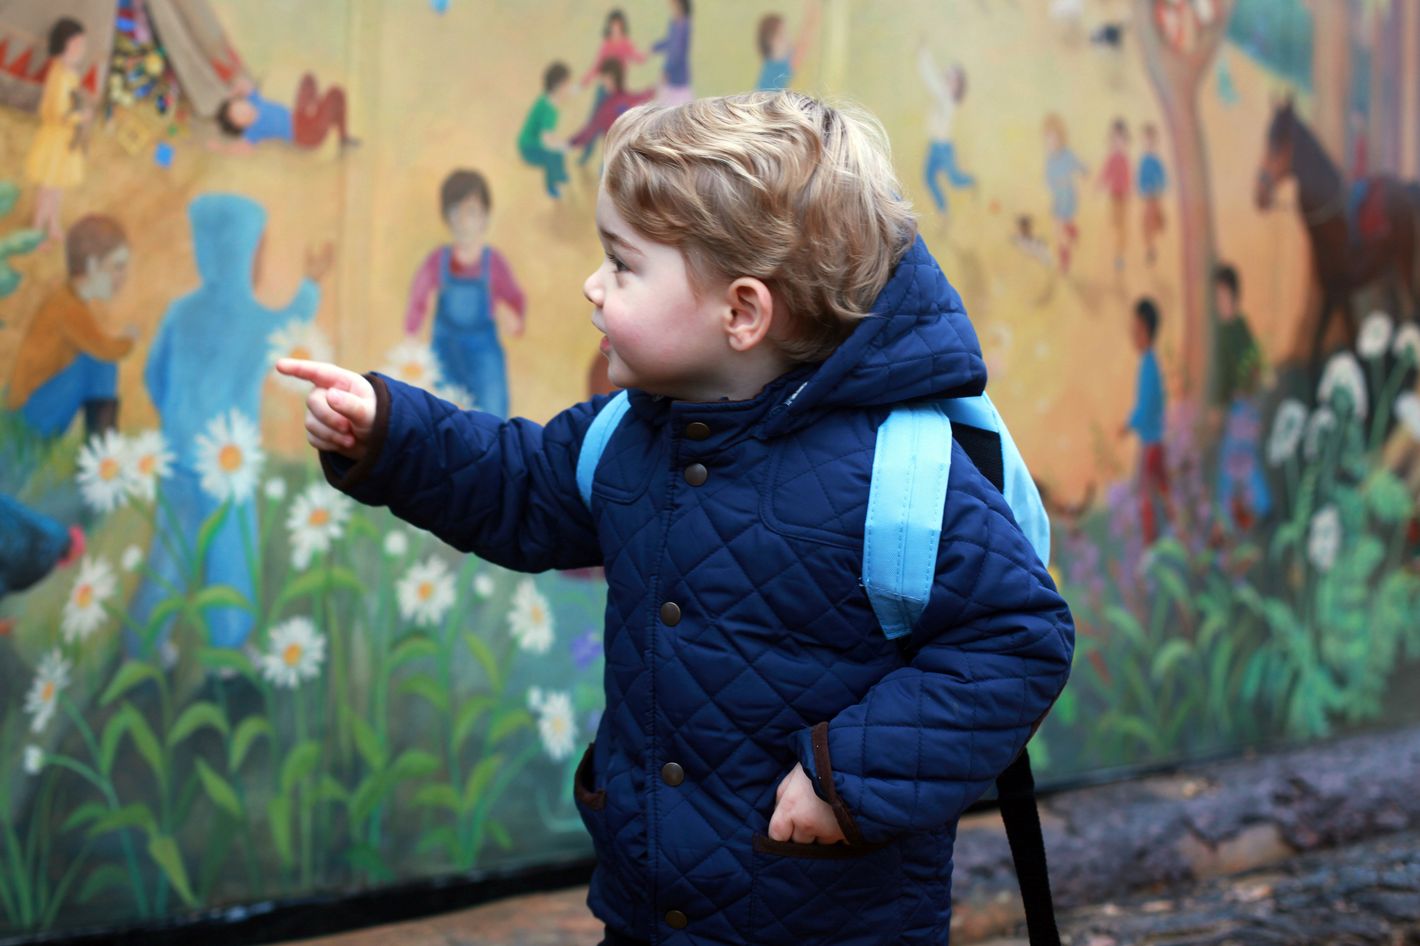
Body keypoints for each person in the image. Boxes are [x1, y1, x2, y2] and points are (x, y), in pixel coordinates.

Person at [278, 91, 1073, 946]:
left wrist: (852, 780)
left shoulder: (900, 475)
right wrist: (391, 433)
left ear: (741, 312)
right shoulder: (633, 432)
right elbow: (521, 486)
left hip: (828, 916)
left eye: (621, 266)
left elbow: (1017, 642)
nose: (592, 285)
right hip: (649, 903)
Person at [132, 194, 332, 653]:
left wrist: (178, 420)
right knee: (230, 556)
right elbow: (290, 325)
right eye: (258, 250)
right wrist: (312, 283)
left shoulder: (180, 313)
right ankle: (229, 650)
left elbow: (153, 374)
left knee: (169, 550)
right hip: (229, 464)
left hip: (178, 455)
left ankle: (143, 646)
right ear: (246, 254)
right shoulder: (253, 322)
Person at [404, 170, 526, 418]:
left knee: (491, 421)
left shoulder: (494, 263)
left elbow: (514, 298)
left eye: (471, 211)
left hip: (484, 360)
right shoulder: (438, 261)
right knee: (443, 420)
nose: (462, 219)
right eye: (455, 211)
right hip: (445, 355)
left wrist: (514, 318)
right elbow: (418, 299)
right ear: (446, 217)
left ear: (484, 217)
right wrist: (412, 337)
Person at [7, 216, 137, 439]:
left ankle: (101, 453)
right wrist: (128, 340)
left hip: (31, 409)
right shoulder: (67, 307)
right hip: (27, 418)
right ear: (92, 265)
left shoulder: (68, 300)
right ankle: (102, 454)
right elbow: (106, 348)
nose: (123, 277)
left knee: (97, 361)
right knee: (100, 362)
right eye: (117, 267)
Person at [1211, 264, 1270, 531]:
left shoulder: (1236, 328)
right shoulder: (1226, 330)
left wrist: (1242, 390)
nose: (1219, 303)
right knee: (1244, 461)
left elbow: (1251, 363)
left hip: (1244, 406)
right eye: (1216, 298)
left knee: (1231, 461)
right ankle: (1263, 506)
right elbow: (1225, 374)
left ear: (1234, 296)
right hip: (1238, 406)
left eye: (1223, 297)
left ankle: (1225, 520)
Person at [26, 17, 94, 243]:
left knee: (58, 187)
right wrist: (80, 117)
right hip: (55, 139)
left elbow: (71, 104)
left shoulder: (69, 72)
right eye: (78, 45)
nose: (81, 50)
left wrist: (80, 114)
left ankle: (53, 224)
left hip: (64, 140)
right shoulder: (58, 75)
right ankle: (37, 230)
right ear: (65, 44)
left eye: (82, 45)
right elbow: (57, 112)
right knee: (48, 188)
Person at [1120, 297, 1176, 544]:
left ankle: (1151, 542)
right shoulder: (1150, 363)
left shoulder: (1148, 366)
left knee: (1146, 494)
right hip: (1157, 440)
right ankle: (1175, 531)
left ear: (1145, 330)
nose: (1133, 334)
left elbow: (1145, 407)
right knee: (1163, 490)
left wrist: (1127, 424)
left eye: (1136, 329)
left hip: (1151, 444)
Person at [214, 74, 356, 152]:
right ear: (240, 126)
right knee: (335, 93)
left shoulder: (255, 101)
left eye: (240, 106)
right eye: (238, 116)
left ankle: (332, 124)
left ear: (243, 101)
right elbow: (243, 148)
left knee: (308, 80)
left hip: (303, 119)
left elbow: (243, 82)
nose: (243, 111)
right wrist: (221, 148)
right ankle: (338, 132)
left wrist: (230, 96)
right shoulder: (253, 131)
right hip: (305, 136)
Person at [578, 10, 649, 166]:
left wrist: (646, 55)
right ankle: (586, 153)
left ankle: (609, 163)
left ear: (623, 27)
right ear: (609, 27)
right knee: (594, 122)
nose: (615, 29)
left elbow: (637, 57)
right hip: (602, 91)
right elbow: (597, 66)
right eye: (613, 26)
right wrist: (585, 80)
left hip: (617, 92)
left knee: (613, 127)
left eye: (619, 26)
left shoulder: (626, 44)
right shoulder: (606, 45)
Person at [918, 39, 975, 218]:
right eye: (946, 76)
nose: (945, 80)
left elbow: (930, 78)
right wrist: (923, 55)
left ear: (957, 85)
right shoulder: (943, 96)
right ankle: (944, 211)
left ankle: (973, 182)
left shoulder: (947, 100)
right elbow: (932, 79)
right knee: (929, 178)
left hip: (943, 148)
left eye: (950, 78)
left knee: (954, 179)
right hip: (935, 146)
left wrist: (923, 54)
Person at [568, 60, 655, 163]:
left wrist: (568, 144)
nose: (603, 83)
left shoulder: (607, 108)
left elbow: (590, 129)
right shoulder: (625, 99)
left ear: (610, 78)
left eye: (604, 80)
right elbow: (643, 96)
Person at [518, 62, 573, 198]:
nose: (569, 87)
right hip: (529, 147)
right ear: (558, 86)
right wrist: (562, 145)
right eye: (567, 84)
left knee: (559, 152)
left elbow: (548, 134)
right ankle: (552, 187)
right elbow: (546, 140)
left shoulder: (547, 98)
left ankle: (560, 175)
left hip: (534, 140)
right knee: (552, 158)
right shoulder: (550, 110)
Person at [1043, 112, 1086, 274]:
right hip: (1058, 199)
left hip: (1067, 198)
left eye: (1053, 138)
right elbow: (1048, 178)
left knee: (1060, 231)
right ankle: (1072, 231)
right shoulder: (1050, 158)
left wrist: (1083, 170)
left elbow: (1079, 165)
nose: (1050, 142)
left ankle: (1064, 261)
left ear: (1060, 138)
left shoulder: (1067, 155)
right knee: (1057, 231)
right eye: (1048, 138)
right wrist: (1052, 184)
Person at [754, 1, 819, 91]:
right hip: (766, 101)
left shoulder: (775, 60)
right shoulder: (785, 62)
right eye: (782, 34)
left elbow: (802, 42)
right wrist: (812, 14)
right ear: (771, 41)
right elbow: (804, 41)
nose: (788, 38)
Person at [1097, 117, 1131, 272]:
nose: (1117, 142)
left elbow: (1128, 178)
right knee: (1115, 223)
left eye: (1121, 139)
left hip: (1122, 196)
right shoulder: (1112, 158)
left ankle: (1119, 256)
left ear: (1125, 140)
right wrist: (1099, 185)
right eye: (1114, 138)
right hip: (1113, 196)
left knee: (1121, 226)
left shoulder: (1124, 159)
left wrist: (1129, 189)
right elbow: (1106, 173)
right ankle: (1116, 253)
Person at [652, 0, 693, 105]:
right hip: (672, 76)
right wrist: (655, 47)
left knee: (678, 106)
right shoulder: (674, 23)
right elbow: (670, 42)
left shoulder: (684, 25)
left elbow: (677, 51)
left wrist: (667, 70)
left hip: (678, 76)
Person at [1137, 122, 1167, 265]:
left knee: (1153, 223)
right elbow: (1140, 179)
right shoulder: (1143, 161)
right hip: (1147, 197)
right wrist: (1143, 189)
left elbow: (1162, 179)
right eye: (1146, 141)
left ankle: (1152, 247)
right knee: (1145, 224)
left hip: (1154, 197)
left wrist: (1157, 188)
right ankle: (1150, 248)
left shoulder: (1156, 161)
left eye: (1150, 141)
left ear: (1154, 142)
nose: (1148, 144)